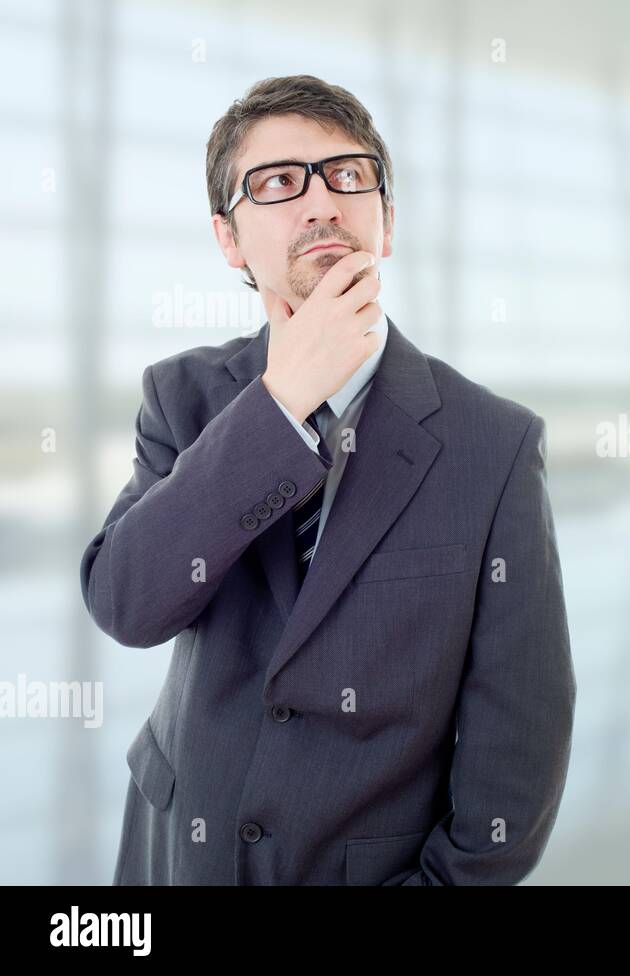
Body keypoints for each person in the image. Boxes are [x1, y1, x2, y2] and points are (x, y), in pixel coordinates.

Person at [79, 75, 577, 885]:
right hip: (178, 859)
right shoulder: (184, 396)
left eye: (348, 175)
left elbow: (518, 748)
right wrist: (279, 405)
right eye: (277, 182)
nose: (321, 204)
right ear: (229, 240)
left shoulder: (495, 443)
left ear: (386, 223)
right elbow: (128, 605)